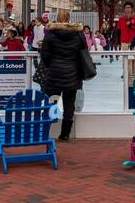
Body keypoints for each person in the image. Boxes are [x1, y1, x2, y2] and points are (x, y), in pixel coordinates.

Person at [36, 9, 96, 141]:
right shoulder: (78, 33)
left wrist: (52, 64)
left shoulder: (51, 33)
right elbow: (84, 50)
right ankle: (65, 134)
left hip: (54, 74)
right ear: (69, 18)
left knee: (51, 102)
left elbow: (45, 55)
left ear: (57, 18)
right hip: (72, 74)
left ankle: (47, 130)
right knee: (69, 104)